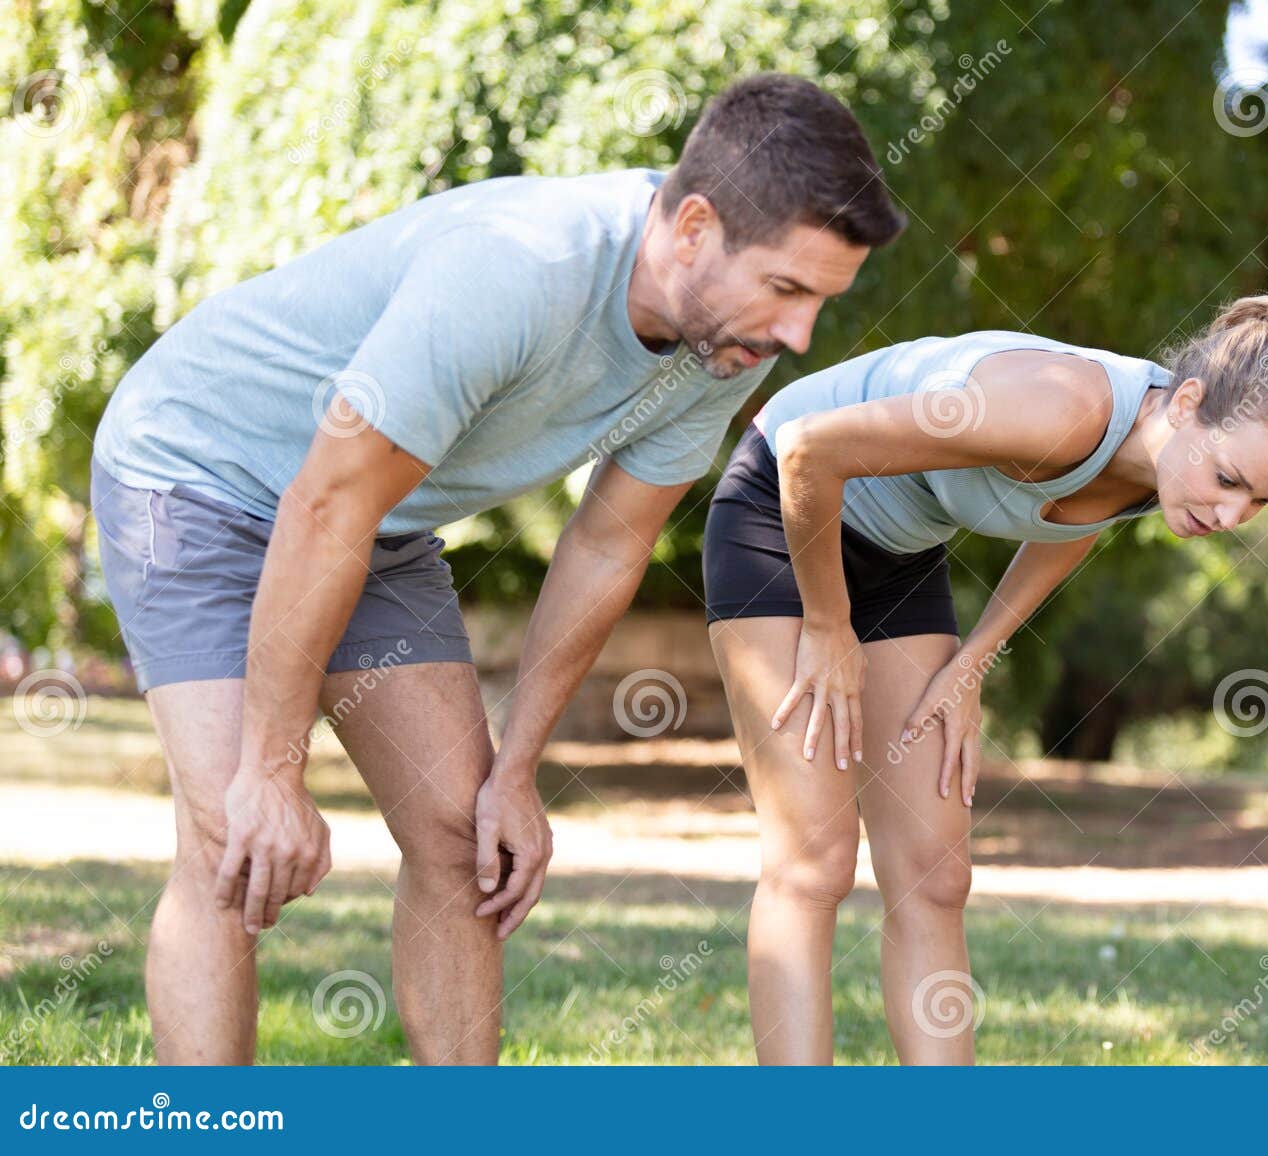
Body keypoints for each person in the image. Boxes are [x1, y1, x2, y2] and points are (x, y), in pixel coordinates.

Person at [89, 73, 904, 1065]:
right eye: (786, 289)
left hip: (370, 513)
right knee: (233, 837)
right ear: (693, 228)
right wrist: (269, 765)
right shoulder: (519, 271)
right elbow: (323, 504)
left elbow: (606, 543)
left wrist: (516, 769)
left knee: (462, 837)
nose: (799, 334)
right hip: (199, 474)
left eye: (820, 300)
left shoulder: (724, 344)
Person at [703, 291, 1268, 1063]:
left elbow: (1075, 518)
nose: (1232, 515)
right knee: (814, 862)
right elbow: (807, 450)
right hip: (780, 509)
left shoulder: (1166, 461)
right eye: (1231, 479)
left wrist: (972, 661)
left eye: (1261, 499)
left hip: (898, 551)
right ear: (1187, 402)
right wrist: (828, 628)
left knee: (933, 874)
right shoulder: (1058, 408)